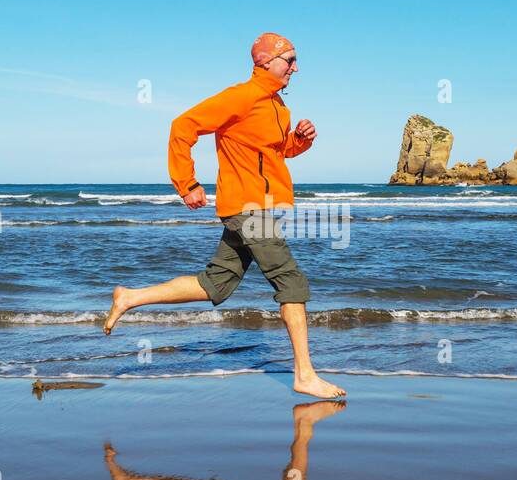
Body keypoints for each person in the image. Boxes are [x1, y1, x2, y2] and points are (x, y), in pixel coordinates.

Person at [104, 32, 345, 399]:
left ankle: (130, 297)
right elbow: (183, 126)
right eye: (289, 60)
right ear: (266, 62)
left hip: (258, 207)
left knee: (216, 284)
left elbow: (277, 153)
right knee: (291, 282)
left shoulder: (277, 105)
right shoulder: (242, 96)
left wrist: (300, 139)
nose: (296, 67)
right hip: (248, 207)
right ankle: (305, 375)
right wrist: (187, 184)